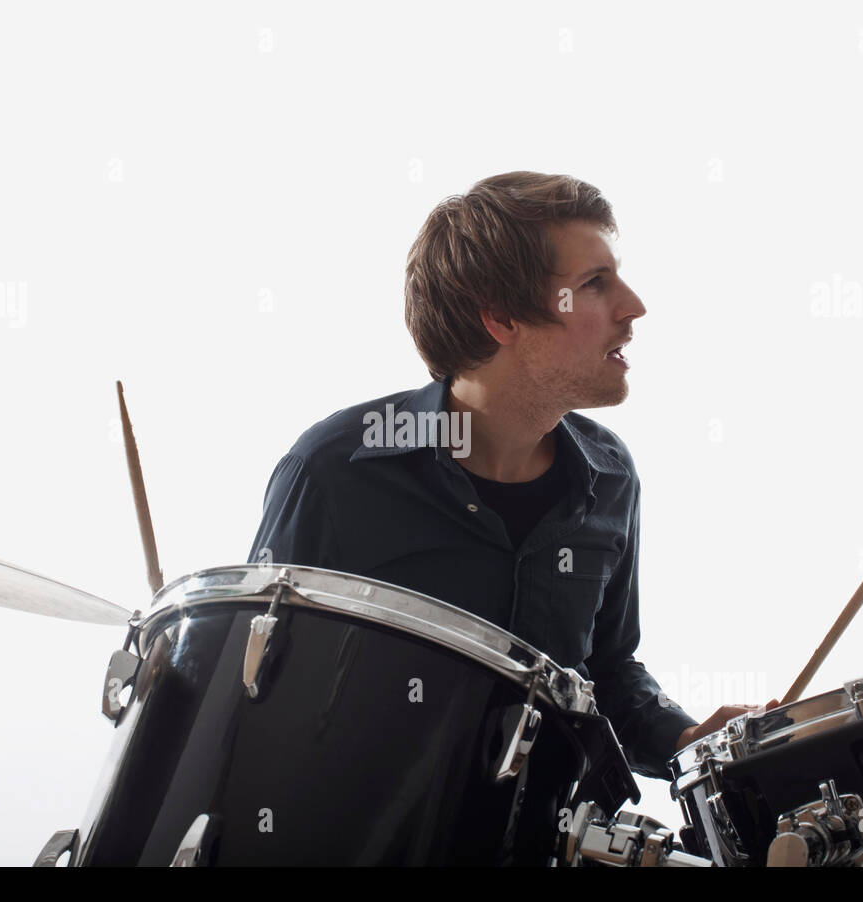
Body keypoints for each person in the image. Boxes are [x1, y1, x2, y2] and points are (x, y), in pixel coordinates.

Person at [247, 171, 772, 781]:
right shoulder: (334, 472)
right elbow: (259, 691)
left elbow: (606, 673)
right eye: (594, 284)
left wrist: (686, 738)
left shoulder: (611, 475)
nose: (634, 307)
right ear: (501, 319)